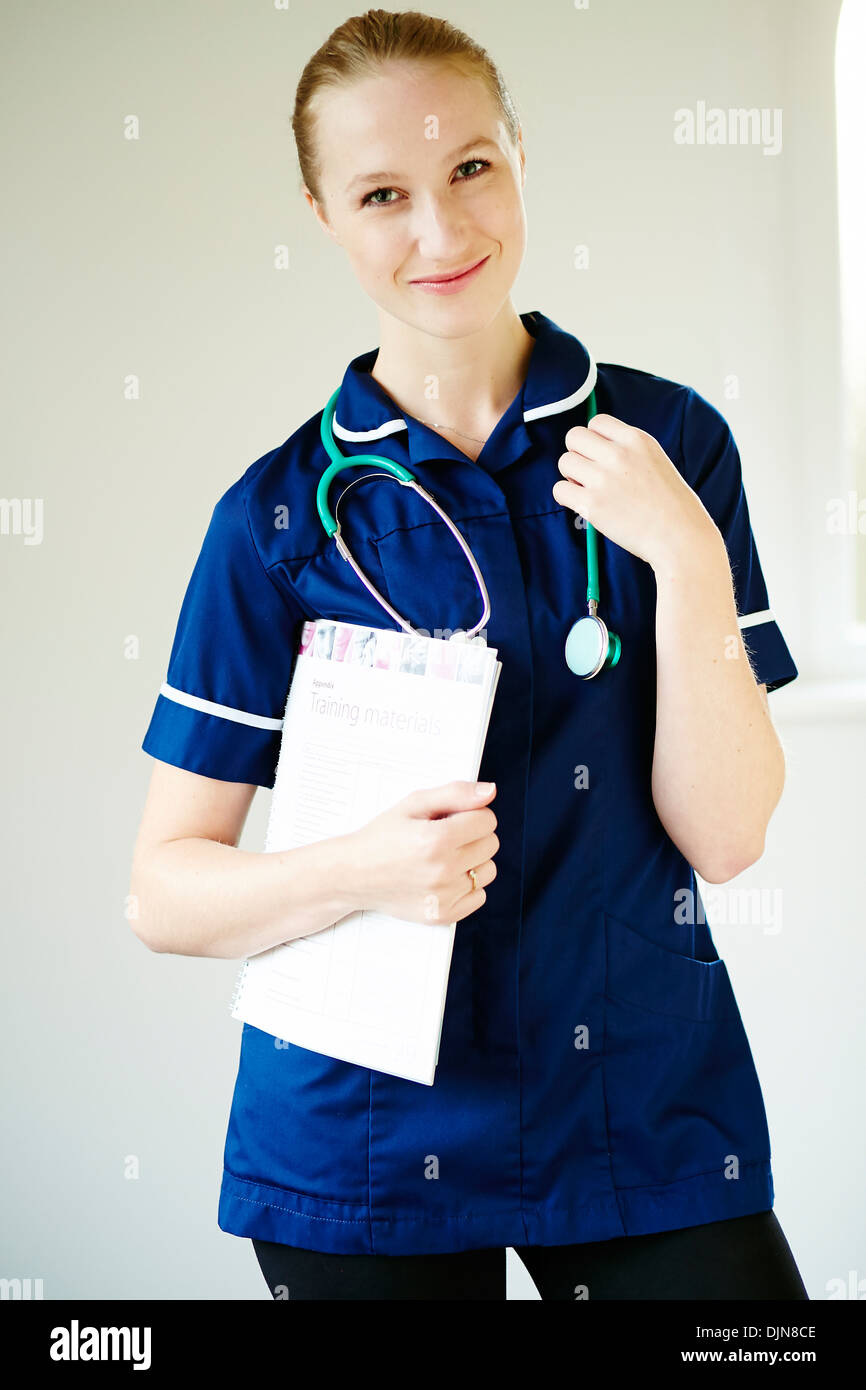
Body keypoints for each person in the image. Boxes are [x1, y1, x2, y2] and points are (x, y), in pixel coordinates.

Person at [130, 8, 808, 1301]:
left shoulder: (670, 443)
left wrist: (691, 559)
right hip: (364, 1138)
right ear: (324, 214)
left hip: (640, 1108)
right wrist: (363, 866)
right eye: (382, 193)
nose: (438, 232)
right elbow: (164, 892)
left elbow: (725, 837)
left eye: (470, 168)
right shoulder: (276, 518)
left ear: (518, 160)